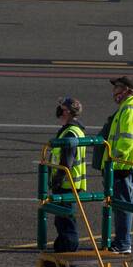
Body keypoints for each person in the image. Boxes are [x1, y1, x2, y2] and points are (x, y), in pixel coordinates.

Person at [105, 76, 133, 254]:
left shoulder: (129, 110)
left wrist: (113, 159)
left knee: (122, 205)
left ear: (128, 91)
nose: (114, 92)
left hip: (122, 166)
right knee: (121, 204)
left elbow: (126, 140)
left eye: (117, 88)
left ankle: (123, 243)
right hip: (126, 165)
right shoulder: (130, 108)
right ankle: (122, 241)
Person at [49, 96, 88, 251]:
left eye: (61, 108)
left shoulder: (70, 133)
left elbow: (66, 162)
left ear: (66, 111)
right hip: (71, 183)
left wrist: (56, 180)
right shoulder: (75, 130)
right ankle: (60, 257)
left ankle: (68, 259)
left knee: (66, 222)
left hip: (67, 184)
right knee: (62, 221)